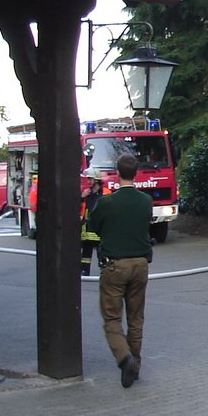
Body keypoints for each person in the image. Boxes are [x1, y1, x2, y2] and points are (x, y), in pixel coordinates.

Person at [86, 154, 153, 388]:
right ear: (136, 173)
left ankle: (125, 358)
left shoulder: (106, 203)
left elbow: (92, 226)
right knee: (136, 319)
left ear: (117, 172)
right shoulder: (145, 201)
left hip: (114, 266)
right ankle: (135, 365)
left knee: (112, 318)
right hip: (140, 265)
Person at [79, 169, 107, 275]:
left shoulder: (105, 193)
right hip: (87, 228)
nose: (88, 181)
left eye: (90, 179)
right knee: (86, 252)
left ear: (96, 180)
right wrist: (82, 197)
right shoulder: (86, 194)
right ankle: (84, 270)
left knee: (102, 251)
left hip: (100, 228)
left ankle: (104, 269)